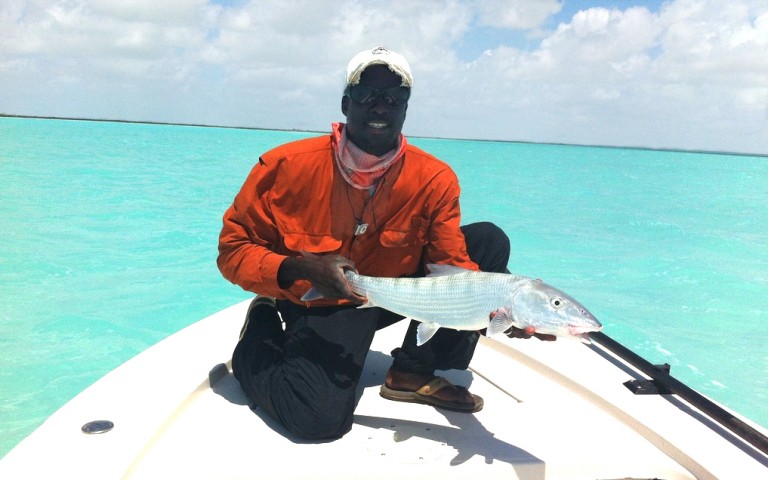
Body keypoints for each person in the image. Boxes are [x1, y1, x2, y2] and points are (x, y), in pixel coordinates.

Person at [217, 46, 551, 441]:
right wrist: (296, 269)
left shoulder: (434, 178)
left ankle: (412, 370)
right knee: (317, 422)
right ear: (346, 102)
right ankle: (260, 326)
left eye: (394, 97)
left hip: (393, 295)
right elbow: (233, 250)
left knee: (488, 241)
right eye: (367, 94)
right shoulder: (284, 166)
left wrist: (497, 313)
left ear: (405, 109)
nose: (381, 105)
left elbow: (452, 264)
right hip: (320, 300)